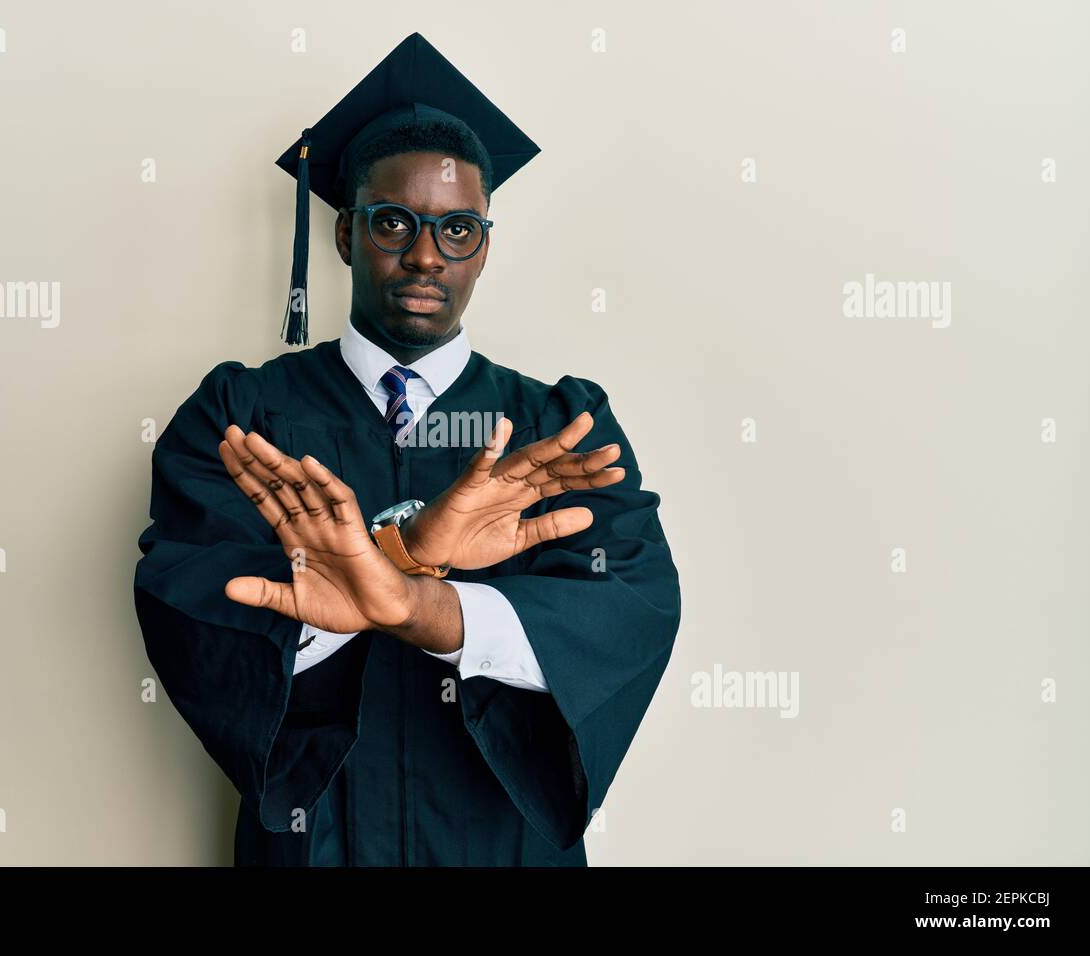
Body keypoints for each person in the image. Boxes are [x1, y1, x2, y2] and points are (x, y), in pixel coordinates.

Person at [133, 32, 682, 866]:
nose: (426, 254)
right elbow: (191, 605)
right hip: (319, 841)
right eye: (395, 222)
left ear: (484, 248)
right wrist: (400, 562)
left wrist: (413, 604)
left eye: (458, 228)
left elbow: (631, 610)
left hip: (501, 844)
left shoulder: (556, 427)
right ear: (347, 234)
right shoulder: (242, 417)